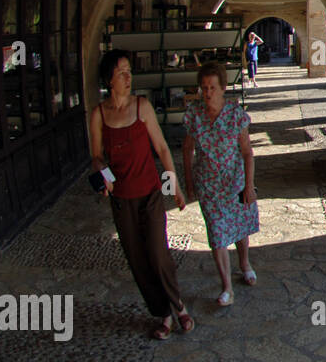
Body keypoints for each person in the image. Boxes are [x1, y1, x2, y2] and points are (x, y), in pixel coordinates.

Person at [89, 50, 192, 340]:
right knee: (137, 259)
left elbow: (161, 148)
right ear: (109, 79)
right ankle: (164, 315)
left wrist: (175, 188)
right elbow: (96, 156)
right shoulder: (99, 114)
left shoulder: (141, 106)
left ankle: (179, 305)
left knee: (158, 254)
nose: (128, 77)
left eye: (129, 71)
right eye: (121, 72)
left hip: (149, 194)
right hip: (122, 201)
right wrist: (103, 175)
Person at [182, 61, 258, 306]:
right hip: (208, 185)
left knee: (239, 226)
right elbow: (187, 150)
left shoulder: (235, 115)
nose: (207, 92)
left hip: (234, 181)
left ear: (223, 87)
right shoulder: (194, 114)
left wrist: (248, 185)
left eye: (212, 87)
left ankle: (244, 263)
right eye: (204, 87)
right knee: (216, 233)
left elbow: (247, 152)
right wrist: (189, 182)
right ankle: (226, 287)